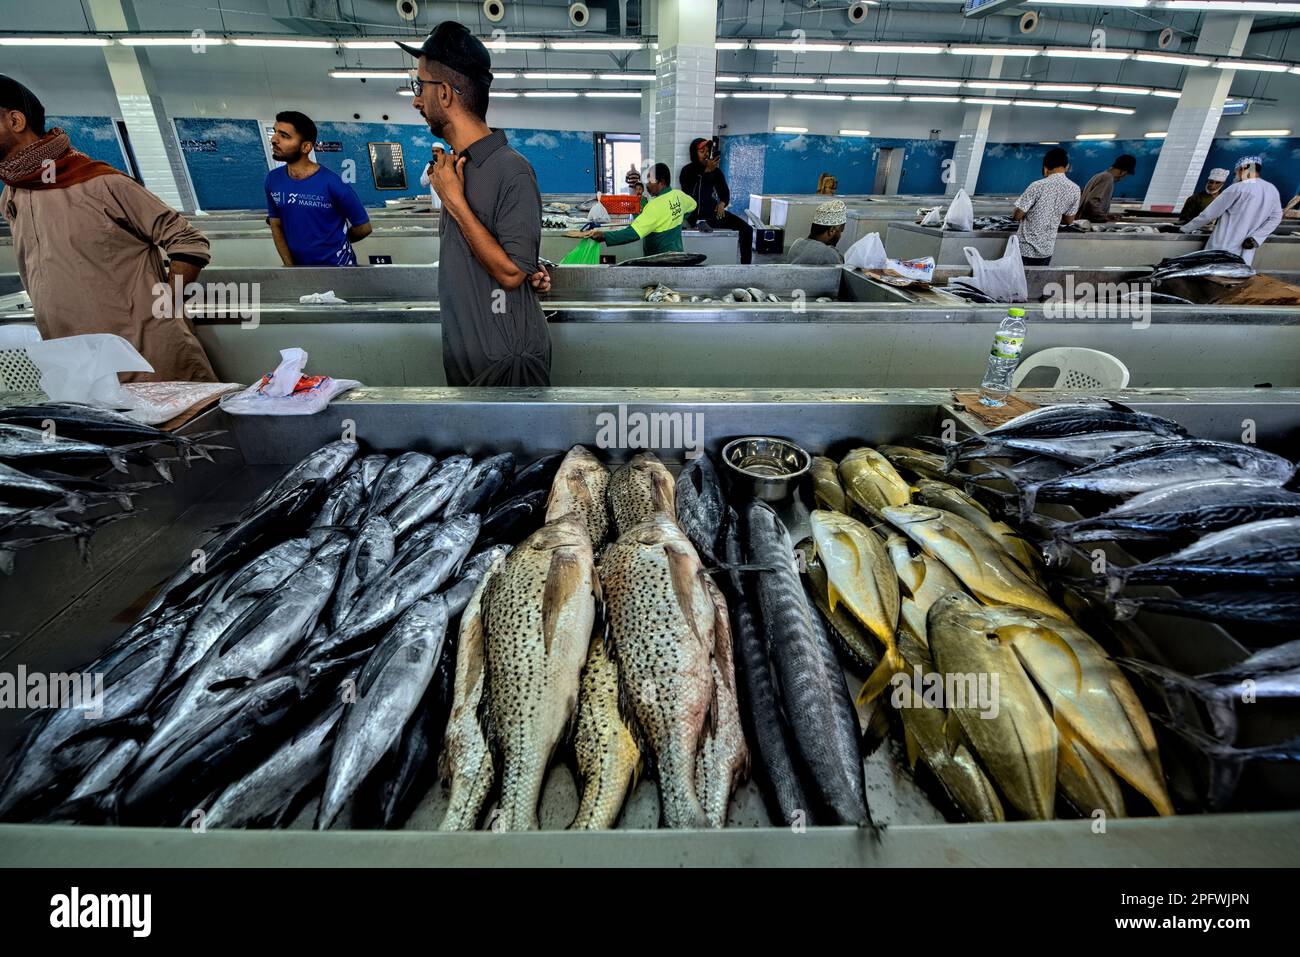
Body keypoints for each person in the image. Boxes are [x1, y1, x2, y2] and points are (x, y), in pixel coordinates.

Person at [0, 75, 216, 382]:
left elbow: (188, 241)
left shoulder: (101, 183)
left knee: (182, 429)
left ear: (15, 120)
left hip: (144, 358)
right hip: (75, 363)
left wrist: (165, 310)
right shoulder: (13, 194)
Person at [401, 22, 552, 387]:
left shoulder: (511, 170)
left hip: (504, 358)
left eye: (420, 86)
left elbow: (513, 274)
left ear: (447, 94)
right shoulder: (455, 166)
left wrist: (455, 202)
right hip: (465, 349)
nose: (416, 99)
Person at [266, 111, 372, 266]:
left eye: (284, 136)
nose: (274, 139)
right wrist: (290, 268)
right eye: (275, 132)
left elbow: (364, 227)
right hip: (300, 270)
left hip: (339, 267)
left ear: (306, 147)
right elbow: (276, 225)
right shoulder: (273, 180)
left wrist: (335, 241)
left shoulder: (332, 183)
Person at [1179, 154, 1283, 266]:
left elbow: (1209, 215)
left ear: (1243, 168)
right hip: (1246, 250)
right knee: (1234, 277)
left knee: (1213, 276)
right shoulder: (1271, 190)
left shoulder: (1237, 188)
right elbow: (1276, 218)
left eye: (1236, 172)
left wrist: (1185, 229)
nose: (1236, 176)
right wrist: (1256, 238)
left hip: (1223, 245)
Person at [579, 163, 696, 256]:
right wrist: (679, 217)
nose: (647, 185)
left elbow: (633, 233)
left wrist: (604, 236)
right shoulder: (678, 195)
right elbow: (693, 205)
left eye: (650, 181)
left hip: (659, 261)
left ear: (662, 182)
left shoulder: (655, 206)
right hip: (678, 257)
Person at [680, 137, 753, 264]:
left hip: (713, 212)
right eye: (702, 151)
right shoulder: (687, 171)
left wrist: (722, 203)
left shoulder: (716, 171)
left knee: (747, 229)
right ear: (694, 153)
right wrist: (707, 173)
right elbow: (694, 198)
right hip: (696, 215)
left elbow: (724, 192)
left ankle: (745, 267)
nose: (706, 154)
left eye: (707, 150)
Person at [1012, 146, 1080, 266]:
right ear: (1067, 166)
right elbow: (1069, 220)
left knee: (1019, 282)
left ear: (1046, 167)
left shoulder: (1037, 185)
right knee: (1038, 281)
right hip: (1047, 249)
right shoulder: (1075, 189)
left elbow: (1017, 216)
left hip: (1025, 248)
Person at [787, 200, 847, 265]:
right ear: (831, 231)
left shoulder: (797, 243)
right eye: (841, 231)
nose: (840, 236)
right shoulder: (828, 253)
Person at [419, 144, 445, 214]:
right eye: (433, 151)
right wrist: (428, 174)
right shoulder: (429, 165)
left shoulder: (449, 164)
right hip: (436, 207)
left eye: (437, 151)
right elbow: (423, 183)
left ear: (443, 152)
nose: (434, 153)